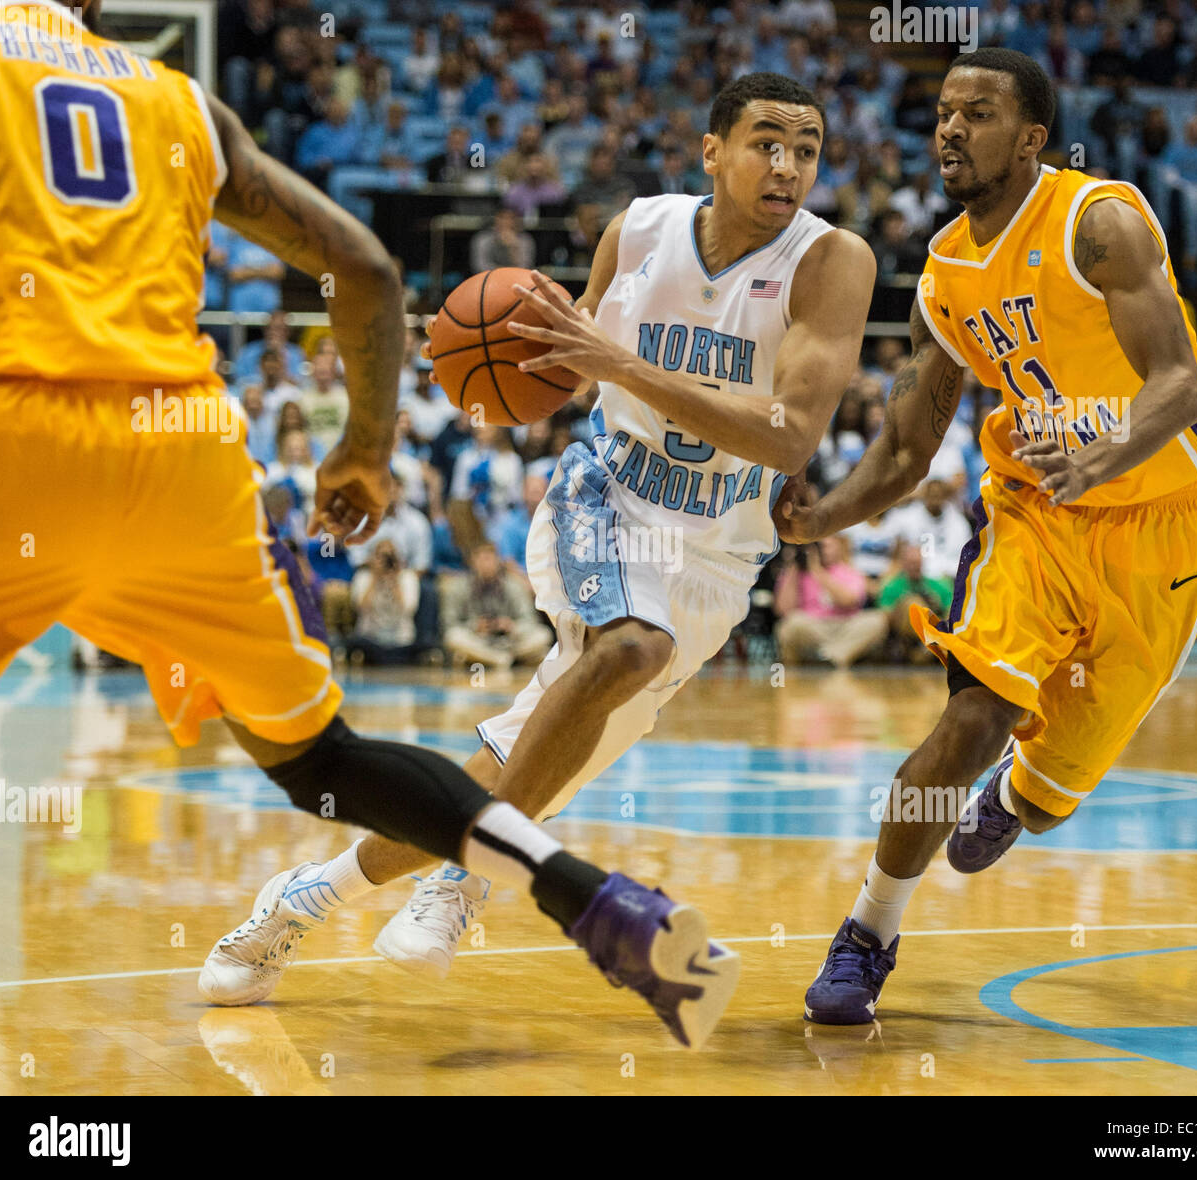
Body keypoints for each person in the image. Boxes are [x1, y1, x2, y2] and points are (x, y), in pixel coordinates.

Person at [0, 0, 737, 1049]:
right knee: (324, 761)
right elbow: (368, 270)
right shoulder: (178, 101)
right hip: (178, 444)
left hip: (6, 427)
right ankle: (596, 901)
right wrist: (364, 452)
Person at [274, 72, 875, 983]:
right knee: (631, 647)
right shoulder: (638, 230)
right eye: (766, 142)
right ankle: (470, 880)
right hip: (604, 496)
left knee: (511, 764)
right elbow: (563, 366)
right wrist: (495, 370)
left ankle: (301, 899)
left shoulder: (832, 262)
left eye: (807, 148)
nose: (788, 165)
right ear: (712, 152)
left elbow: (790, 433)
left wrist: (620, 363)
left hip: (714, 555)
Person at [779, 48, 1197, 1025]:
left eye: (976, 113)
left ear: (1031, 137)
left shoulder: (1094, 221)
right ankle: (868, 931)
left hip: (1163, 530)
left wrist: (1104, 451)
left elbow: (1179, 389)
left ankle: (1018, 798)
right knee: (969, 717)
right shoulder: (943, 272)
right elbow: (905, 447)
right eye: (942, 111)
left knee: (1046, 794)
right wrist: (822, 517)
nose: (949, 129)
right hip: (1034, 516)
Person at [773, 536, 887, 668]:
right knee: (790, 624)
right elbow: (783, 610)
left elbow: (849, 601)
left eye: (824, 546)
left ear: (839, 546)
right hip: (813, 627)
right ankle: (831, 656)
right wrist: (792, 568)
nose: (820, 551)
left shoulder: (850, 571)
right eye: (816, 547)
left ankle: (830, 657)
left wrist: (817, 570)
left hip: (847, 625)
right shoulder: (797, 573)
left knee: (877, 620)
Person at [442, 542, 552, 671]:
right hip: (477, 640)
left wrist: (511, 626)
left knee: (543, 635)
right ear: (473, 562)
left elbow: (530, 620)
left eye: (490, 559)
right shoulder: (458, 587)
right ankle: (501, 660)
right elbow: (449, 624)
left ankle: (485, 659)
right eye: (482, 560)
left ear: (498, 561)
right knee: (453, 637)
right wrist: (475, 626)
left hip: (510, 642)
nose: (486, 565)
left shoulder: (513, 586)